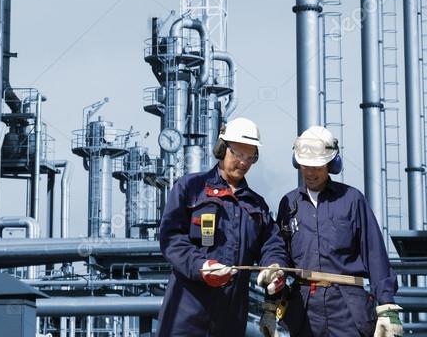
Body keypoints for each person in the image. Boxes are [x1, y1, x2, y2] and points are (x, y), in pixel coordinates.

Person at [156, 116, 288, 337]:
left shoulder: (256, 206)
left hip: (229, 320)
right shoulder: (190, 189)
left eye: (250, 156)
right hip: (185, 316)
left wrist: (273, 267)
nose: (244, 162)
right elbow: (171, 239)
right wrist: (201, 265)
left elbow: (272, 243)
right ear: (222, 149)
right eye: (238, 154)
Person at [267, 125, 402, 337]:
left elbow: (374, 253)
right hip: (303, 310)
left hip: (347, 309)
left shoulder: (352, 199)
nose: (310, 172)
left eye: (317, 166)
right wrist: (270, 303)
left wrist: (387, 307)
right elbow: (279, 254)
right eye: (305, 166)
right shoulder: (289, 203)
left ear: (332, 164)